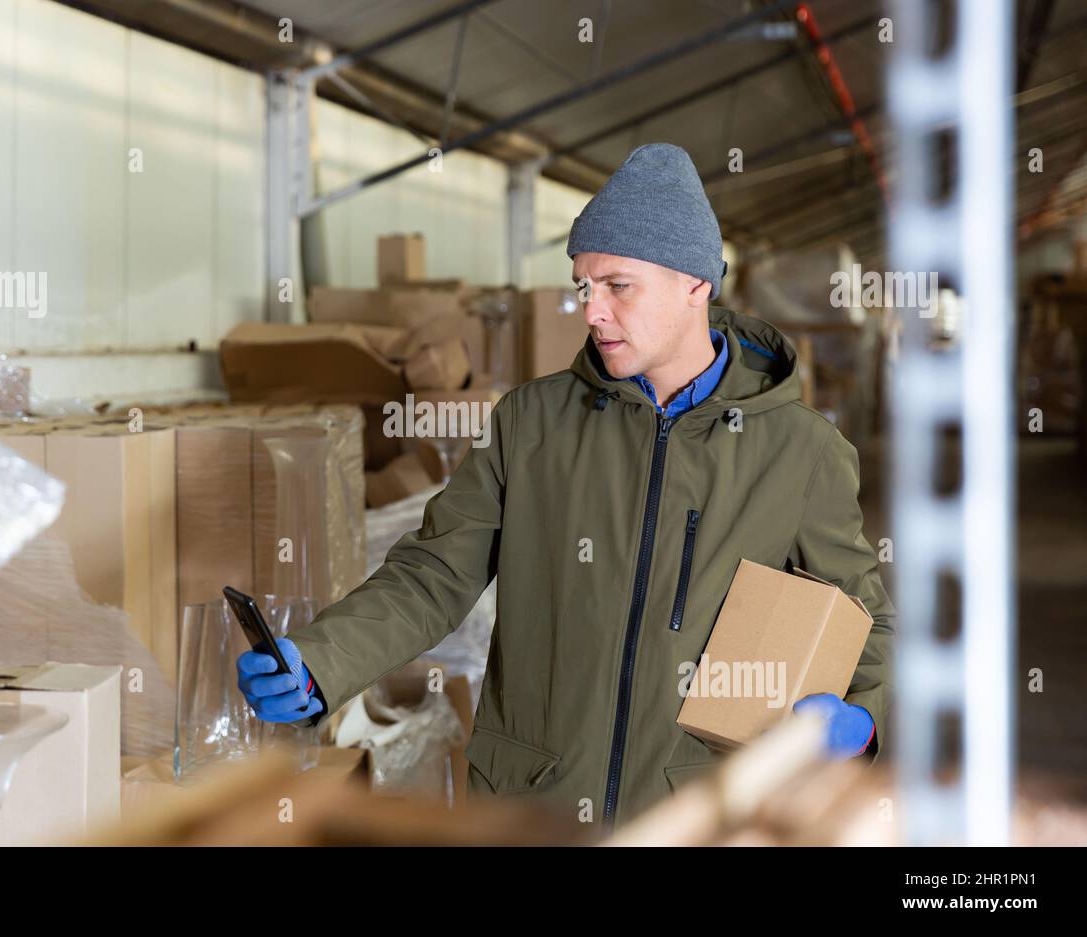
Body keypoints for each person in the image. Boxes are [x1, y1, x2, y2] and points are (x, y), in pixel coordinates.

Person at [237, 143, 894, 828]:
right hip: (532, 800)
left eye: (618, 285)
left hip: (696, 811)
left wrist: (862, 716)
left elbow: (864, 616)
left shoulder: (801, 451)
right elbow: (432, 575)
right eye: (583, 285)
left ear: (694, 283)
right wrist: (320, 659)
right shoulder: (530, 422)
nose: (591, 310)